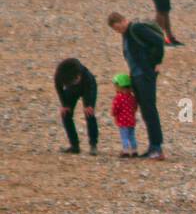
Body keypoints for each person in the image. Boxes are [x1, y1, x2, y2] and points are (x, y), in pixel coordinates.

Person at [108, 12, 166, 159]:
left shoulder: (136, 28)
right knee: (146, 112)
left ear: (122, 21)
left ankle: (157, 148)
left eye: (117, 28)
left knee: (149, 110)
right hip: (137, 77)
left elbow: (159, 41)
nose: (118, 31)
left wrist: (156, 62)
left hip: (145, 75)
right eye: (115, 30)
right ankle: (153, 147)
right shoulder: (126, 34)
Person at [54, 58, 98, 155]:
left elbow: (90, 89)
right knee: (66, 114)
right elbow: (59, 88)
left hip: (88, 88)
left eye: (77, 80)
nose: (76, 81)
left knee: (89, 114)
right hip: (71, 90)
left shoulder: (87, 76)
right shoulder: (59, 76)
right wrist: (64, 104)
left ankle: (93, 145)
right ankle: (74, 145)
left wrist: (89, 104)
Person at [111, 72, 139, 157]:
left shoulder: (118, 98)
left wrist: (113, 113)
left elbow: (115, 108)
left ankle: (126, 150)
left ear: (120, 86)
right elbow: (135, 107)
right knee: (132, 136)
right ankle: (134, 150)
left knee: (124, 136)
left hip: (122, 121)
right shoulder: (132, 97)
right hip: (131, 120)